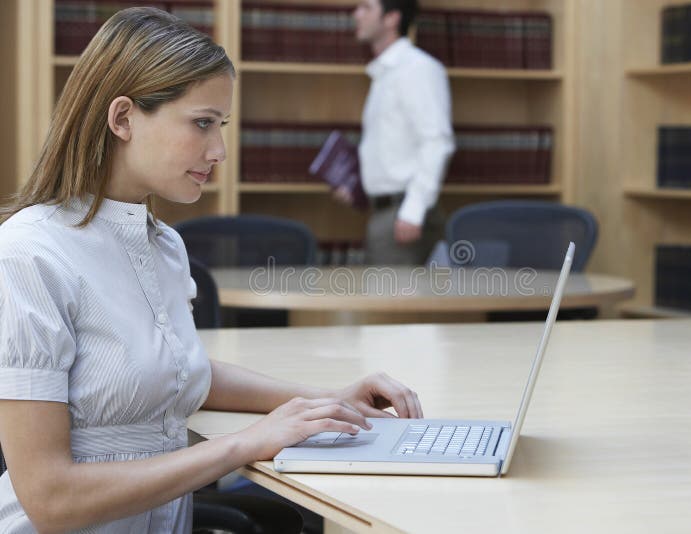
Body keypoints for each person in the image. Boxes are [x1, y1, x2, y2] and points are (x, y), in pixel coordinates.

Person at [0, 8, 422, 533]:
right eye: (202, 123)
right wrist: (247, 443)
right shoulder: (29, 253)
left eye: (220, 127)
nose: (219, 150)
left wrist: (326, 398)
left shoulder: (165, 247)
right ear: (123, 118)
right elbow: (50, 500)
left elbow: (179, 371)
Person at [337, 0, 455, 265]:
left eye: (366, 7)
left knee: (391, 304)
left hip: (404, 214)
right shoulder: (384, 75)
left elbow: (436, 142)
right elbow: (390, 150)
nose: (356, 14)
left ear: (391, 18)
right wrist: (354, 185)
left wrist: (413, 211)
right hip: (384, 213)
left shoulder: (417, 69)